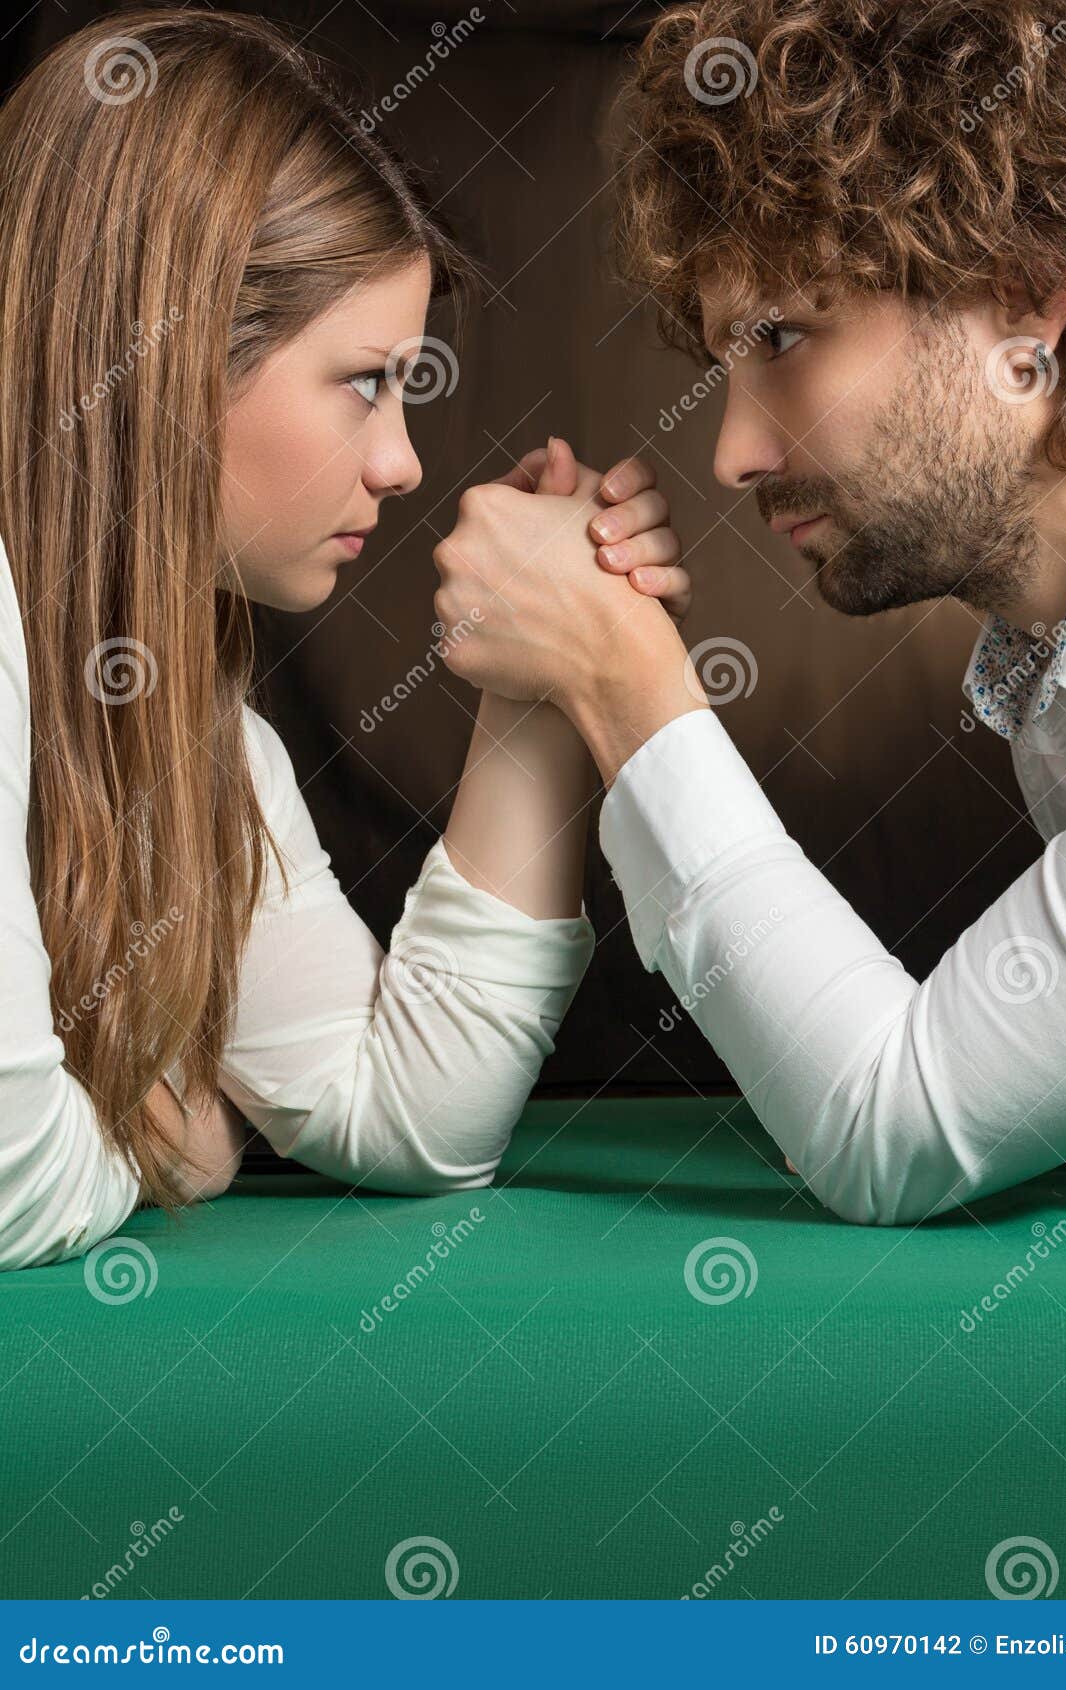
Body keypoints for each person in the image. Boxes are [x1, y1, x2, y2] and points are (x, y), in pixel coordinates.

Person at [430, 0, 1066, 1225]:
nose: (735, 453)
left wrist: (620, 678)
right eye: (727, 363)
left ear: (1026, 301)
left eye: (787, 336)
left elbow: (894, 1123)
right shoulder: (1063, 671)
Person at [0, 7, 688, 1271]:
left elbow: (404, 1116)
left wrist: (540, 690)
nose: (401, 459)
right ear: (166, 357)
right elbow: (9, 1174)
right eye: (364, 380)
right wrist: (174, 1144)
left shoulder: (182, 729)